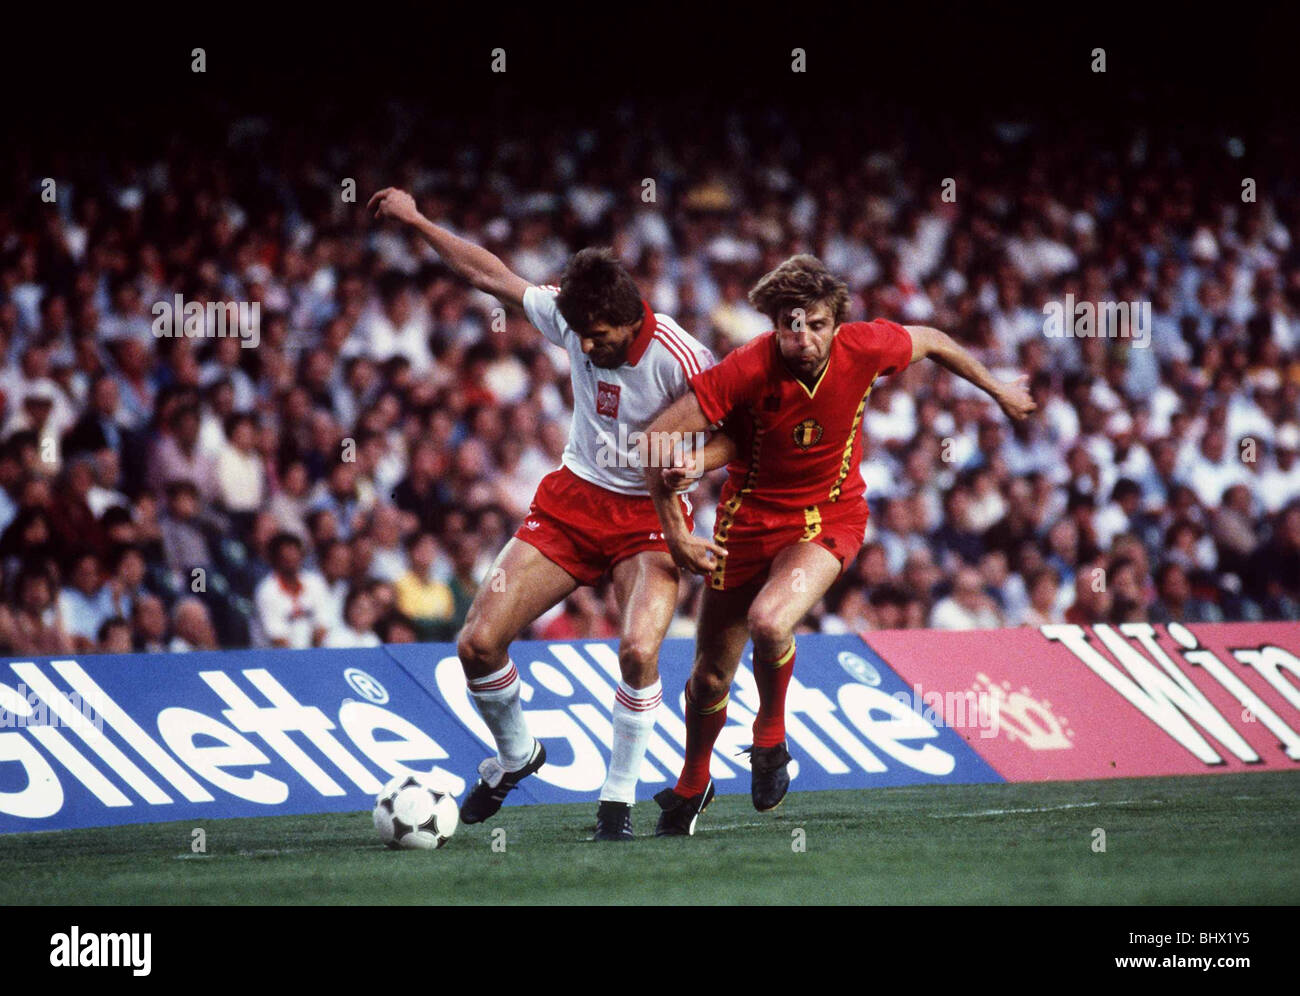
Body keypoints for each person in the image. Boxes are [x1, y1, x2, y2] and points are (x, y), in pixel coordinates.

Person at [368, 187, 727, 840]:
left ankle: (615, 806)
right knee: (476, 643)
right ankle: (516, 756)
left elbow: (741, 424)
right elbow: (490, 275)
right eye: (579, 336)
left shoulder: (683, 356)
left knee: (640, 650)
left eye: (599, 337)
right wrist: (418, 219)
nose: (585, 349)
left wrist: (696, 474)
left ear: (631, 317)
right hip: (571, 502)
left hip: (650, 516)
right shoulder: (571, 317)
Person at [645, 254, 1035, 835]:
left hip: (826, 515)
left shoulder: (866, 347)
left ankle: (770, 742)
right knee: (707, 679)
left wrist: (997, 388)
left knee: (771, 622)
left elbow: (930, 339)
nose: (802, 337)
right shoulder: (747, 367)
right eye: (789, 324)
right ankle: (694, 783)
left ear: (837, 321)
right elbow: (660, 437)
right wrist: (683, 497)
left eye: (816, 323)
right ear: (775, 325)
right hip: (746, 521)